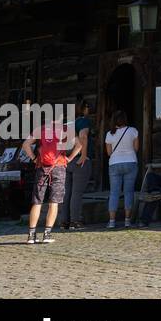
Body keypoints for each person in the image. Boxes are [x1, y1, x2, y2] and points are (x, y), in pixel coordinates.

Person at [21, 115, 81, 244]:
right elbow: (79, 145)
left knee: (37, 201)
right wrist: (69, 159)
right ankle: (47, 235)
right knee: (54, 201)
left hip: (42, 167)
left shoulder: (40, 129)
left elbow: (25, 145)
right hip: (58, 166)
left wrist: (34, 158)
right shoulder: (65, 129)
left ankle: (31, 235)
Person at [103, 111, 139, 229]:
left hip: (114, 163)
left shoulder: (109, 134)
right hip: (130, 162)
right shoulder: (133, 131)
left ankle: (112, 221)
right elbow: (136, 148)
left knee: (114, 193)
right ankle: (127, 221)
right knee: (129, 192)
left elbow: (108, 153)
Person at [63, 98, 94, 230]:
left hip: (67, 158)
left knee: (67, 192)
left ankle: (65, 221)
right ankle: (75, 221)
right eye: (87, 106)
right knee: (77, 192)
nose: (89, 109)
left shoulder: (67, 123)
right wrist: (83, 155)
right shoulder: (83, 121)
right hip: (78, 160)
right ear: (82, 109)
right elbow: (83, 137)